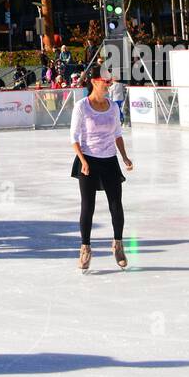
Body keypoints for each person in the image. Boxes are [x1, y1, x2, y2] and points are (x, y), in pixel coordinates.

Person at [70, 64, 134, 273]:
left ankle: (118, 245)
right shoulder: (82, 106)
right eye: (105, 81)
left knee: (116, 204)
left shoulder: (113, 107)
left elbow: (117, 133)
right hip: (87, 160)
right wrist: (84, 161)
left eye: (109, 81)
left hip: (109, 160)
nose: (109, 84)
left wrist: (124, 157)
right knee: (88, 205)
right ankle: (85, 248)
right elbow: (74, 137)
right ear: (94, 82)